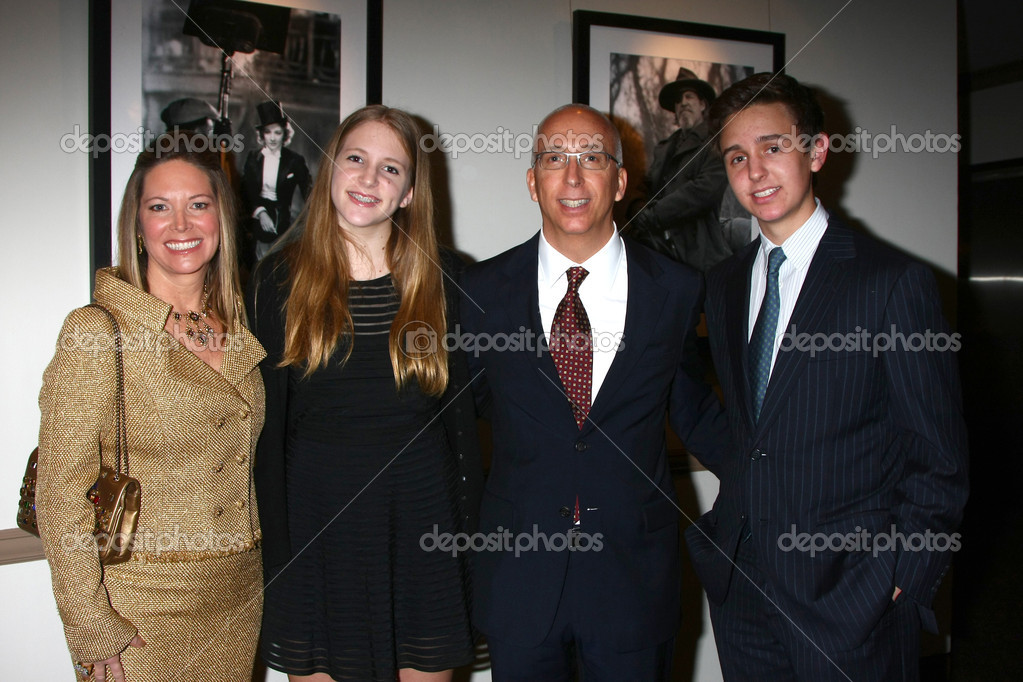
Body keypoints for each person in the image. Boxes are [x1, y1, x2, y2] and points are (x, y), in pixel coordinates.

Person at [686, 73, 969, 681]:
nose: (755, 171)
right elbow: (748, 428)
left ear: (816, 151)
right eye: (737, 157)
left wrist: (904, 577)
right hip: (742, 586)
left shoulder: (890, 283)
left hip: (852, 596)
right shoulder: (726, 284)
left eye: (772, 147)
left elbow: (939, 457)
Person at [459, 104, 729, 681]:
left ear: (621, 181)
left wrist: (783, 493)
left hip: (634, 580)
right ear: (532, 181)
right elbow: (466, 415)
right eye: (555, 159)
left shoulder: (677, 290)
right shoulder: (480, 292)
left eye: (592, 158)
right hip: (519, 579)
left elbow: (696, 413)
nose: (573, 176)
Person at [247, 104, 481, 682]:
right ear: (330, 167)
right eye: (355, 158)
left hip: (425, 527)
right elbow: (261, 426)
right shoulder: (277, 280)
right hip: (314, 530)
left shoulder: (450, 280)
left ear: (409, 193)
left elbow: (477, 417)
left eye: (391, 168)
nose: (369, 178)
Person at [36, 133, 266, 682]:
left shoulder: (240, 325)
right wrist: (91, 624)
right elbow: (59, 492)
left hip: (237, 601)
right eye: (160, 207)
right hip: (136, 611)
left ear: (221, 219)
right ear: (137, 226)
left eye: (198, 204)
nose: (181, 224)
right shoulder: (98, 332)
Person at [630, 67, 749, 271]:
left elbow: (703, 191)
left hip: (699, 254)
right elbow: (645, 185)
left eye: (689, 97)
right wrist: (637, 207)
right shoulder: (664, 148)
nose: (683, 103)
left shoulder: (715, 143)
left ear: (702, 104)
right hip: (659, 252)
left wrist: (654, 215)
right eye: (678, 101)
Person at [242, 100, 311, 263]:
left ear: (285, 134)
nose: (272, 138)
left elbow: (309, 191)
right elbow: (245, 191)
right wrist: (261, 212)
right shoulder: (253, 158)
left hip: (283, 222)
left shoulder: (294, 160)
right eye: (268, 132)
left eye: (277, 133)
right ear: (262, 135)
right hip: (256, 219)